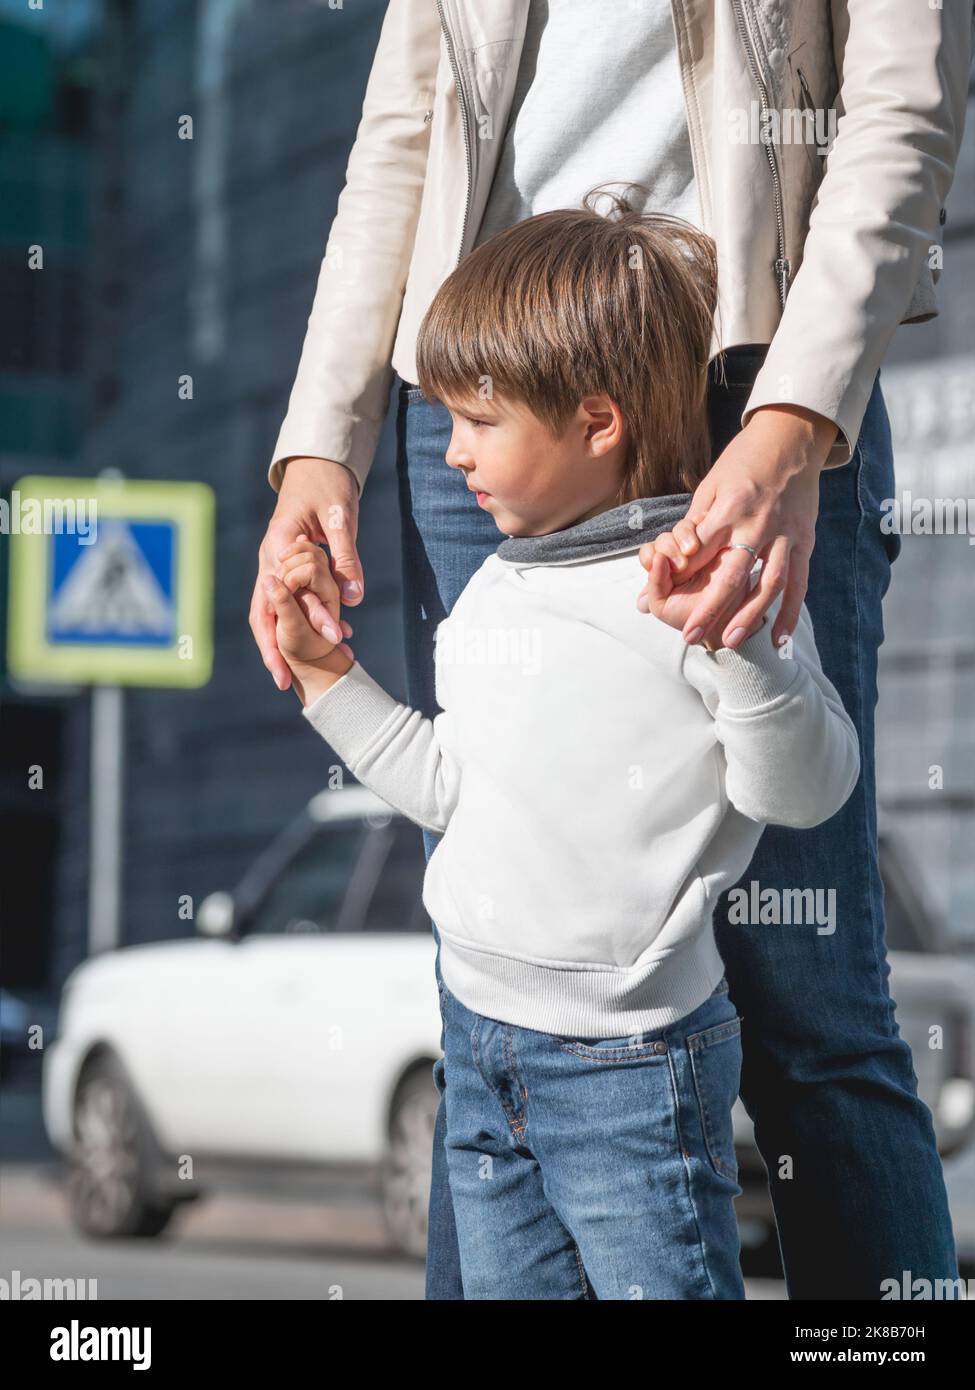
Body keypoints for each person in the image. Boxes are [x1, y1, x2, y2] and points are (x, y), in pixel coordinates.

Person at [252, 2, 971, 1299]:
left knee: (810, 1006)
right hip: (485, 384)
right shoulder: (471, 454)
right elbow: (405, 126)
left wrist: (797, 410)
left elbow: (902, 98)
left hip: (741, 383)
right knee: (489, 1000)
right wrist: (323, 439)